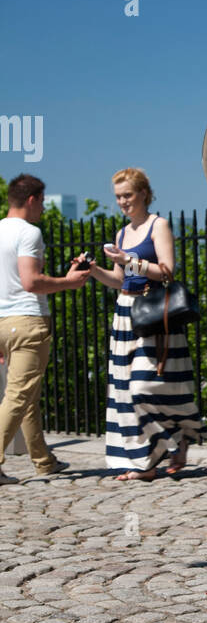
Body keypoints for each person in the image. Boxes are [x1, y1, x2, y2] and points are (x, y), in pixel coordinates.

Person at [88, 168, 202, 480]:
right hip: (126, 310)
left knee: (144, 387)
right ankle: (145, 461)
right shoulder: (122, 234)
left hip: (154, 313)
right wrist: (93, 270)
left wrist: (130, 260)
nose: (122, 201)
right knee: (124, 390)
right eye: (118, 197)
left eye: (127, 195)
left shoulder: (158, 224)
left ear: (143, 194)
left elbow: (167, 271)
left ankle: (176, 437)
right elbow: (118, 280)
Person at [0, 174, 92, 484]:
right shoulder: (29, 233)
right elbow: (31, 282)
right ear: (31, 200)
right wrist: (69, 282)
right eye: (41, 201)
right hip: (28, 323)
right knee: (18, 396)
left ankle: (43, 461)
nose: (41, 208)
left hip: (2, 324)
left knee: (28, 395)